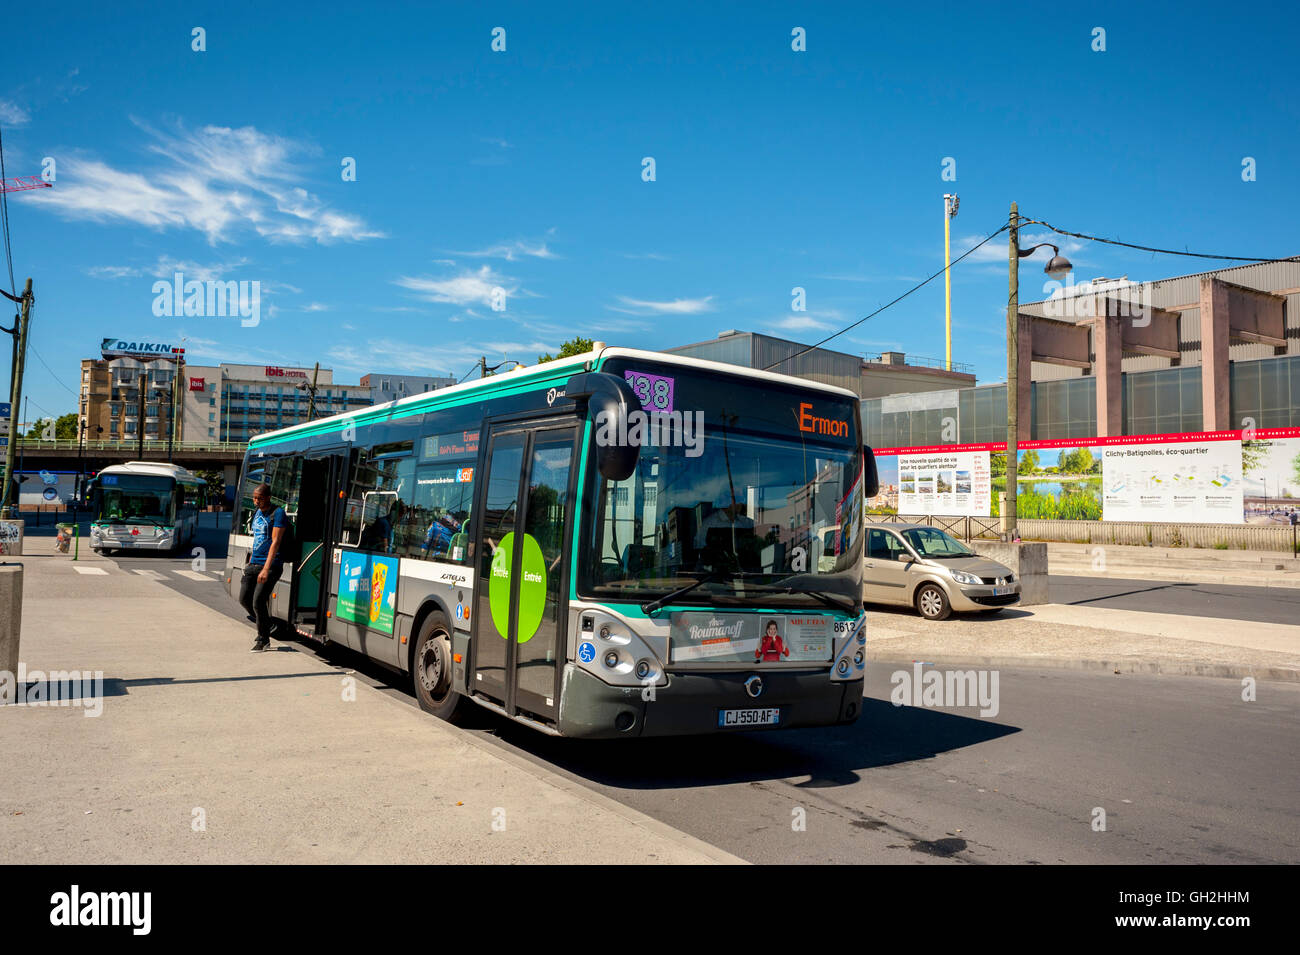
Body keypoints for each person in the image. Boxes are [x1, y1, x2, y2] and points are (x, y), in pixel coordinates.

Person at [240, 483, 287, 651]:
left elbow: (276, 541)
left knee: (258, 600)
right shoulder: (257, 512)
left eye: (259, 498)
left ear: (268, 497)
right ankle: (267, 625)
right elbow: (257, 539)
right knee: (244, 599)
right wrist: (251, 562)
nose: (255, 501)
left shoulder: (278, 513)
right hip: (254, 562)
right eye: (254, 498)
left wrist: (266, 569)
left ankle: (263, 639)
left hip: (271, 565)